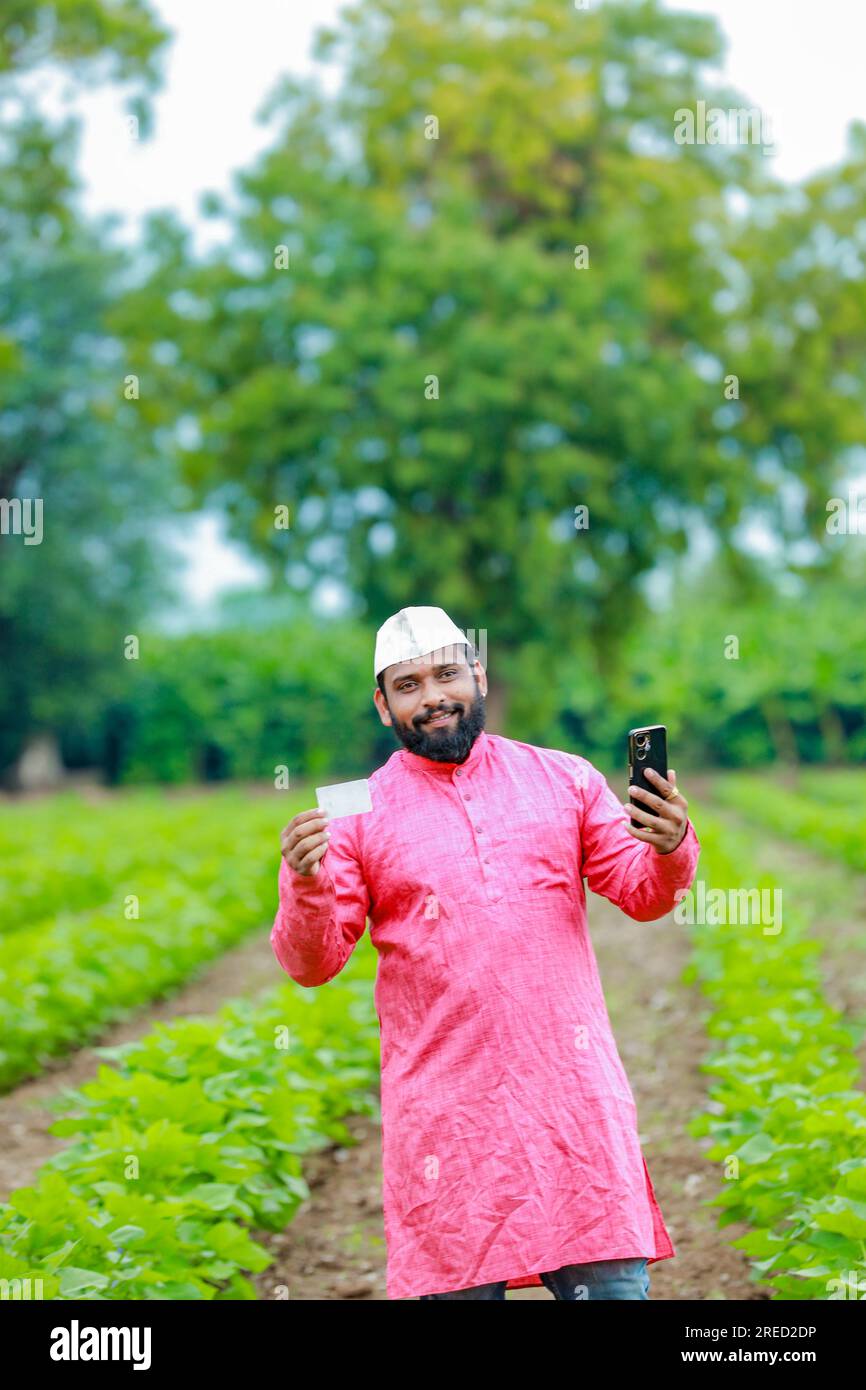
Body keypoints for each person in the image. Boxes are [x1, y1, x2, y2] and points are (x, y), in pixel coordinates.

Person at [272, 606, 701, 1300]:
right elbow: (311, 963)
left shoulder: (563, 778)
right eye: (407, 685)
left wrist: (668, 843)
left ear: (479, 674)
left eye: (447, 673)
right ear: (383, 706)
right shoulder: (354, 808)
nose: (433, 695)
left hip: (572, 1106)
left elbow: (642, 893)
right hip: (448, 1126)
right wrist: (307, 881)